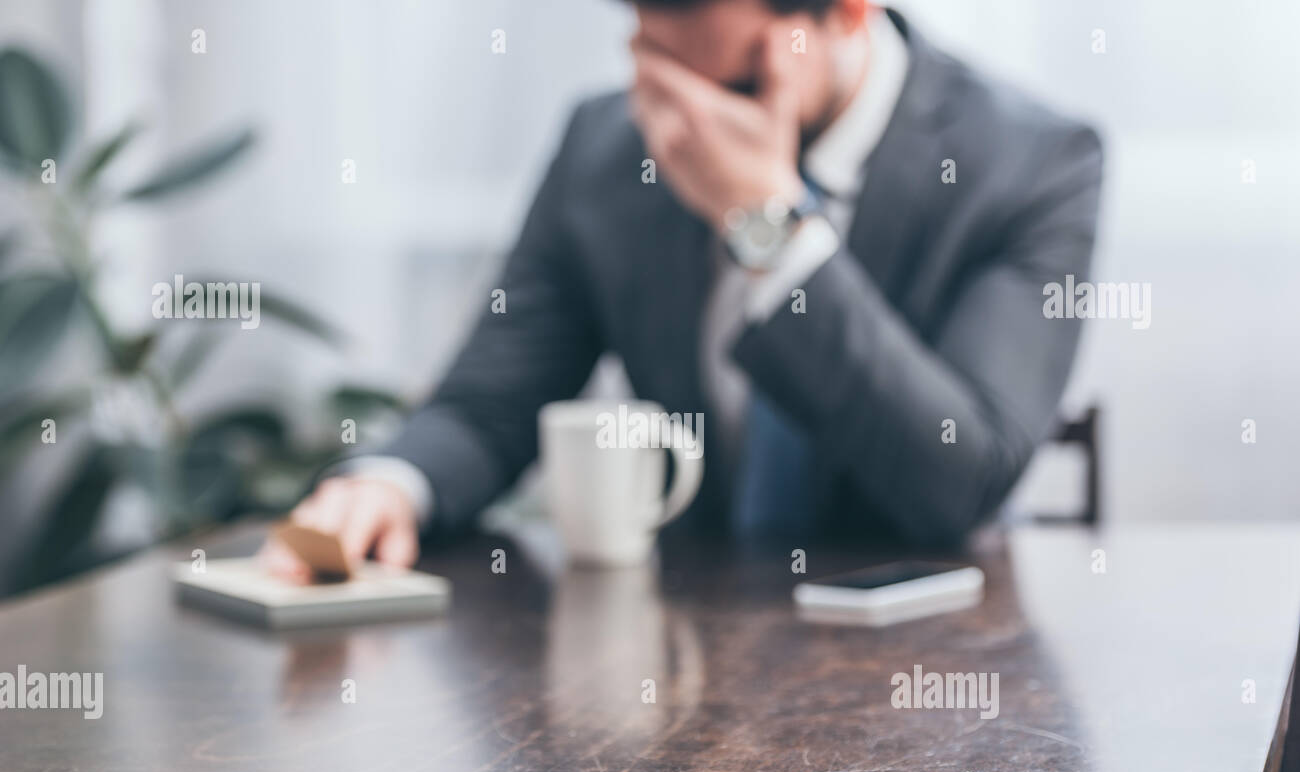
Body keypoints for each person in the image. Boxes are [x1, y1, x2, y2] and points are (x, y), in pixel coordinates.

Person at [264, 0, 1103, 582]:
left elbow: (959, 477)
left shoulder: (1032, 165)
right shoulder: (607, 145)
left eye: (733, 87)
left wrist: (765, 224)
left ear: (848, 13)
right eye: (657, 73)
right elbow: (490, 405)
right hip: (676, 676)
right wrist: (391, 483)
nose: (680, 126)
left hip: (932, 695)